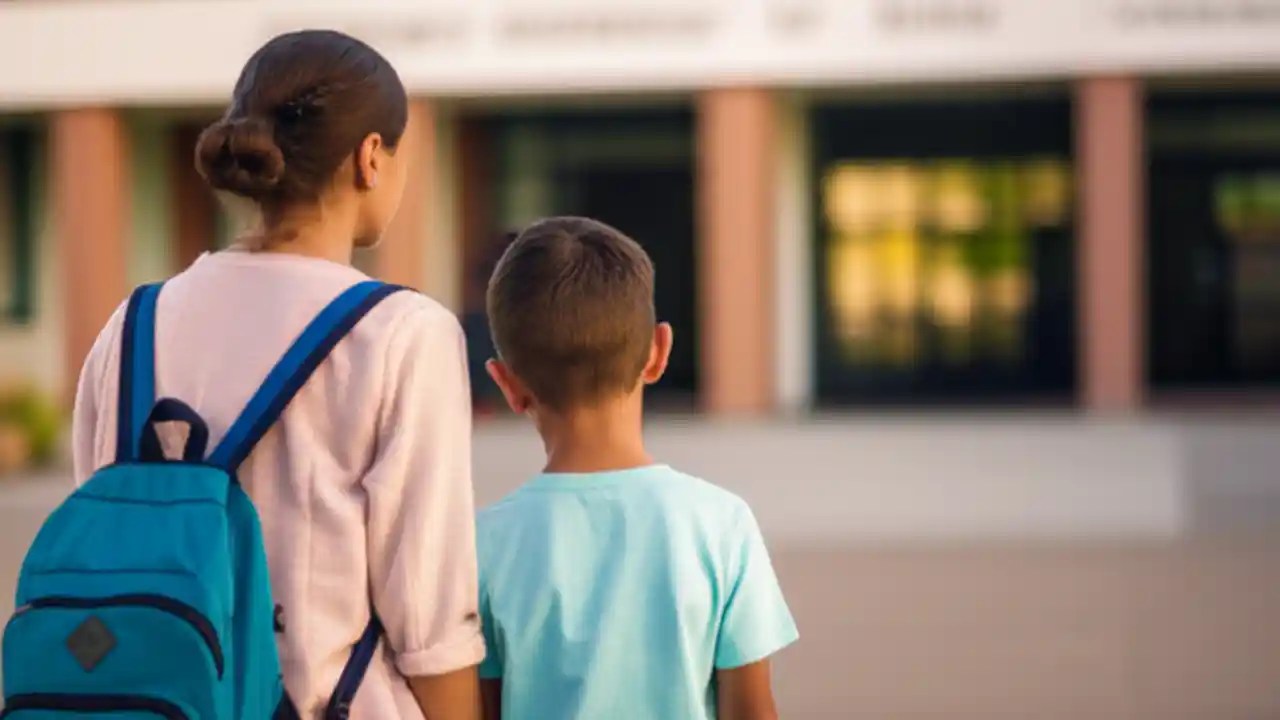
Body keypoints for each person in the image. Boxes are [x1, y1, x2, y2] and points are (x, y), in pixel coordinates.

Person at [72, 30, 484, 719]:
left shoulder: (131, 325)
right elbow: (431, 618)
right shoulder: (402, 334)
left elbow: (101, 545)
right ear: (372, 158)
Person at [476, 217, 799, 719]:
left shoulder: (482, 544)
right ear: (659, 351)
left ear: (507, 384)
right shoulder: (721, 524)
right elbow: (753, 711)